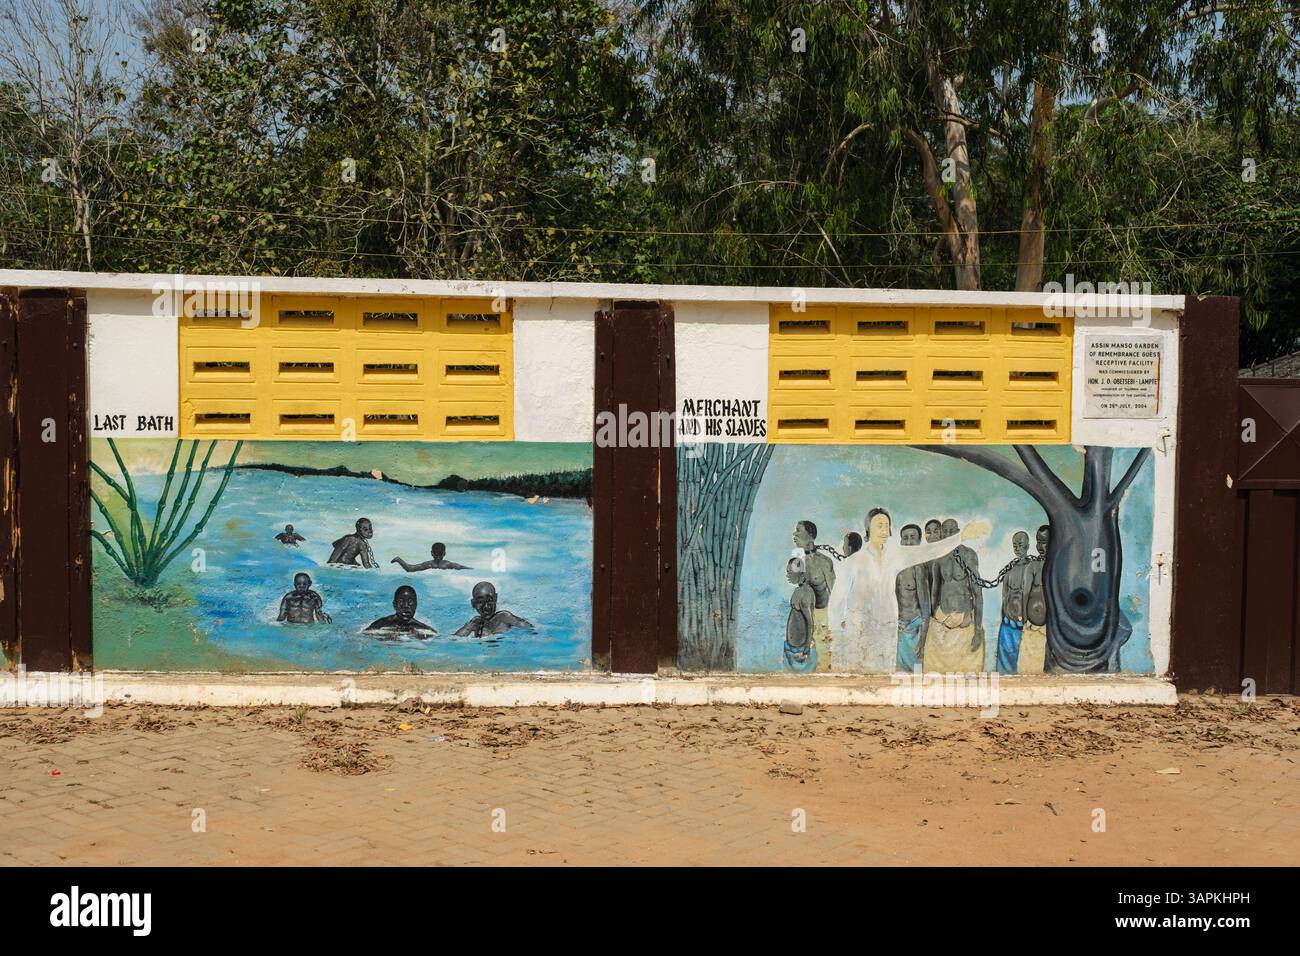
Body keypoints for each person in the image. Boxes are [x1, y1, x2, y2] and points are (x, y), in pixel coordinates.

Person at [829, 508, 989, 672]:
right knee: (857, 677)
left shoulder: (894, 555)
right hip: (859, 632)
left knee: (886, 677)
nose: (884, 530)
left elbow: (928, 551)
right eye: (879, 525)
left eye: (886, 525)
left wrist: (961, 537)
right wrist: (837, 633)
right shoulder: (854, 561)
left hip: (887, 633)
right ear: (868, 527)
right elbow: (836, 601)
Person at [922, 519, 986, 673]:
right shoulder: (939, 558)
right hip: (942, 622)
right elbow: (935, 592)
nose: (949, 535)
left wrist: (977, 630)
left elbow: (978, 594)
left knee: (967, 674)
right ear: (942, 534)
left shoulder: (968, 555)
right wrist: (935, 619)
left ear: (958, 533)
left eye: (952, 531)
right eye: (945, 531)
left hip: (964, 623)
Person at [792, 520, 836, 671]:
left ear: (810, 535)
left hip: (823, 617)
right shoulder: (797, 561)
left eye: (798, 530)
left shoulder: (824, 562)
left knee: (823, 661)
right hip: (804, 618)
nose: (794, 534)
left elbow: (834, 592)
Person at [894, 524, 931, 671]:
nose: (908, 542)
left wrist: (922, 641)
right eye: (905, 538)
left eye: (912, 538)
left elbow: (925, 610)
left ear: (919, 542)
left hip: (915, 631)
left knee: (916, 676)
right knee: (899, 675)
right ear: (901, 542)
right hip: (898, 630)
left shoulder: (919, 568)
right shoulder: (895, 567)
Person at [996, 532, 1033, 673]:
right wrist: (1002, 620)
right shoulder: (1009, 570)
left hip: (1024, 624)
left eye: (1021, 545)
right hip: (1007, 624)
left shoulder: (1032, 568)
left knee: (1024, 660)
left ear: (1028, 546)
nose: (1017, 548)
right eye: (1015, 545)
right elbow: (1005, 597)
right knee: (1005, 662)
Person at [1018, 525, 1051, 673]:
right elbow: (1025, 594)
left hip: (1051, 629)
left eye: (1045, 542)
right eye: (1039, 542)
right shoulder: (1032, 567)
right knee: (1029, 665)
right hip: (1032, 627)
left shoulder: (1057, 566)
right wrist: (1025, 621)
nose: (1040, 546)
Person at [452, 582, 533, 637]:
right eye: (480, 602)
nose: (486, 607)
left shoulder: (504, 617)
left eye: (490, 601)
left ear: (496, 599)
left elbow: (532, 630)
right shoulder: (475, 623)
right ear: (473, 604)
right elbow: (453, 641)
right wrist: (469, 626)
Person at [783, 555, 816, 670]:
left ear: (800, 573)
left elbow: (810, 623)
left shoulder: (805, 593)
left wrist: (806, 649)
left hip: (800, 651)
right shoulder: (798, 590)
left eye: (790, 572)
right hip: (792, 648)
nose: (787, 575)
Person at [365, 585, 436, 635]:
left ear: (416, 605)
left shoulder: (425, 630)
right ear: (394, 605)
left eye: (410, 602)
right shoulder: (381, 624)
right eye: (401, 601)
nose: (406, 606)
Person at [391, 542, 470, 572]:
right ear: (432, 553)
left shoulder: (448, 564)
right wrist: (399, 560)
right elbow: (409, 569)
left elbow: (461, 567)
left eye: (440, 554)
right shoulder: (428, 565)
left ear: (444, 554)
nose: (438, 557)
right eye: (436, 554)